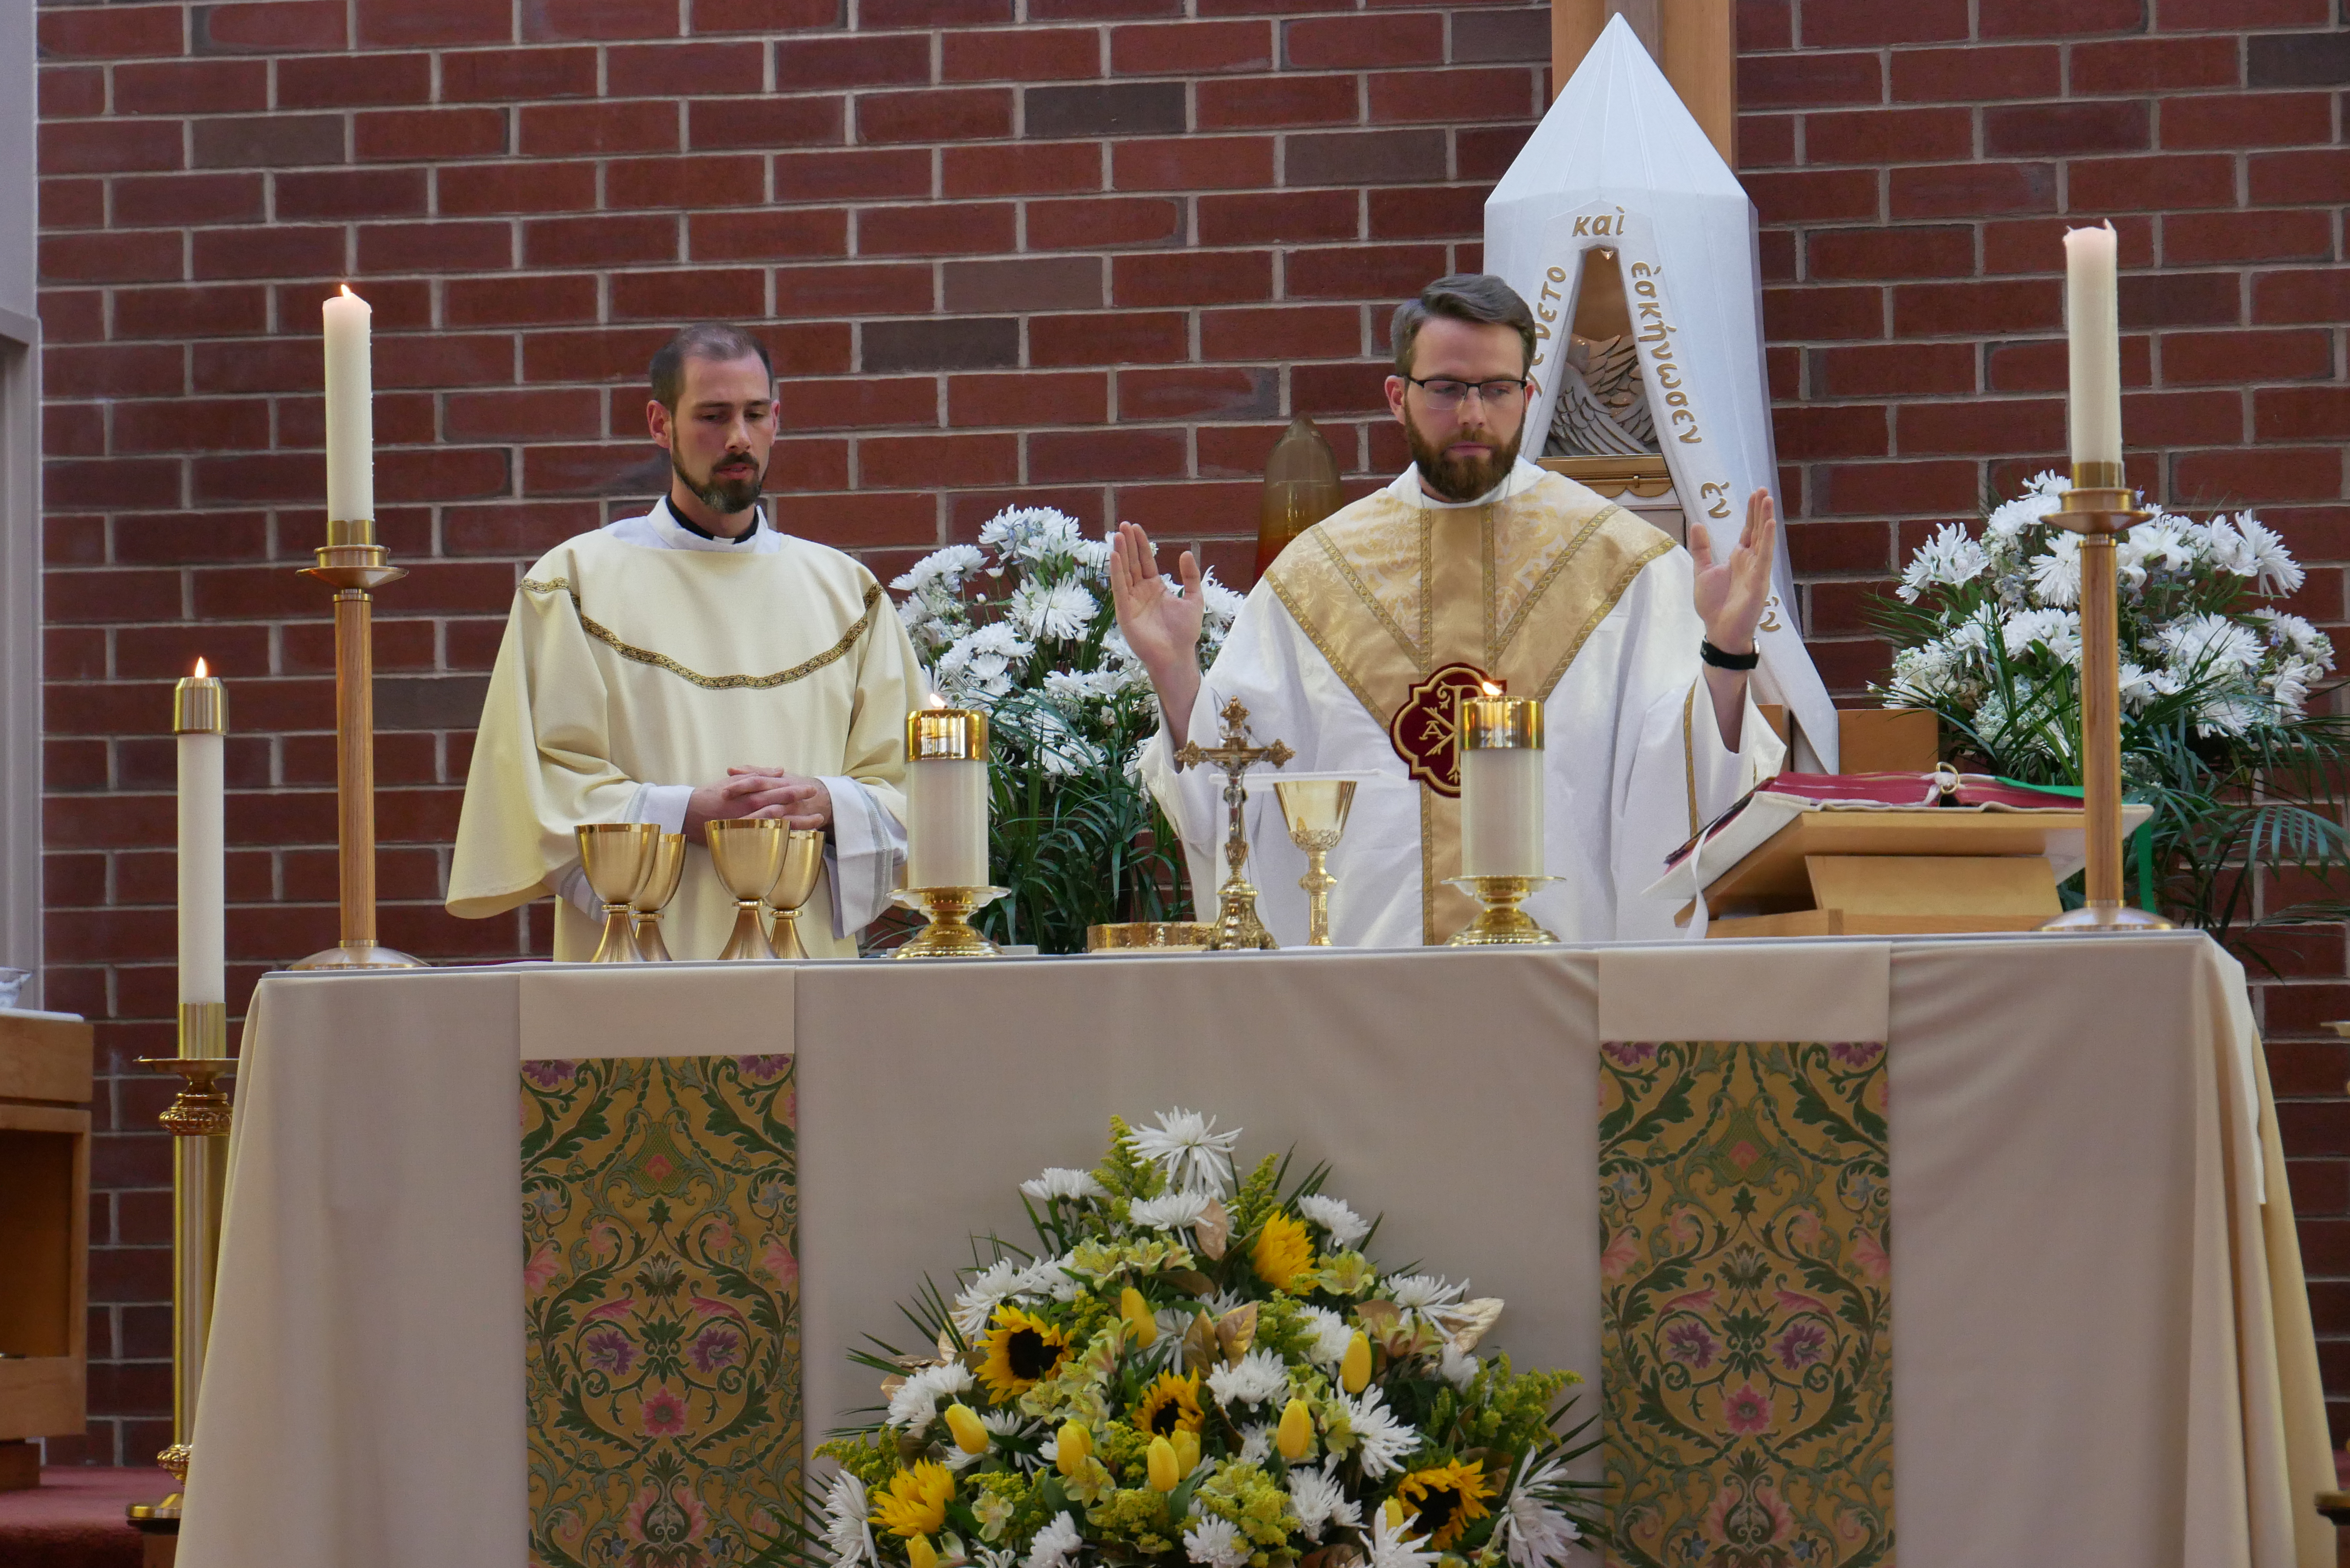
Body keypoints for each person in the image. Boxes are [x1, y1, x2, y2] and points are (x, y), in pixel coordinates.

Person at [1113, 274, 1786, 946]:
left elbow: (1689, 789)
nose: (1472, 415)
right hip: (1367, 996)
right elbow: (1231, 800)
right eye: (1445, 389)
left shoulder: (1626, 566)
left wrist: (1728, 649)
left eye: (1496, 389)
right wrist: (1175, 671)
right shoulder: (1313, 579)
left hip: (1564, 982)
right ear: (1397, 398)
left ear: (1528, 397)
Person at [448, 323, 924, 959]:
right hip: (632, 970)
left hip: (804, 966)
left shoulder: (846, 593)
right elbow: (538, 783)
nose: (738, 439)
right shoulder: (572, 585)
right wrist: (681, 816)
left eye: (755, 415)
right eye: (712, 416)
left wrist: (825, 803)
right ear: (659, 423)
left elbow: (919, 787)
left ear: (776, 419)